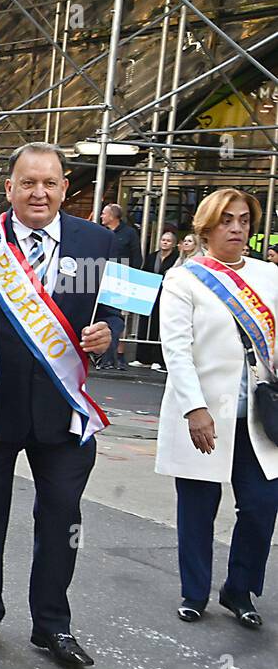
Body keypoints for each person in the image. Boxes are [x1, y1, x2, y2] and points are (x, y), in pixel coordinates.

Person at [0, 142, 117, 667]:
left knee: (61, 520)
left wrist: (108, 335)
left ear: (65, 187)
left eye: (49, 183)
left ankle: (52, 625)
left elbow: (115, 312)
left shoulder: (98, 242)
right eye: (28, 183)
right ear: (10, 188)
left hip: (64, 410)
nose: (39, 193)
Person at [156, 189, 278, 628]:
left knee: (262, 505)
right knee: (198, 506)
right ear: (207, 228)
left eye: (244, 220)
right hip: (205, 412)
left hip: (259, 417)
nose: (237, 228)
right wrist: (195, 409)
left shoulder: (269, 276)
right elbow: (177, 350)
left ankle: (239, 589)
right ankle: (194, 592)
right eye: (227, 220)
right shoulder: (184, 279)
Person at [97, 203, 143, 370]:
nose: (101, 216)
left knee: (121, 318)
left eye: (104, 213)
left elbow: (136, 257)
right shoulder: (100, 232)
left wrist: (132, 279)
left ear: (112, 216)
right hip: (102, 279)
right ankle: (104, 357)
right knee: (103, 316)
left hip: (122, 280)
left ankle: (119, 356)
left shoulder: (129, 233)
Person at [134, 228, 180, 368]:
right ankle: (142, 358)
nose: (165, 243)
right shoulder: (152, 256)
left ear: (174, 244)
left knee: (159, 326)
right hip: (150, 293)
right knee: (144, 325)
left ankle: (157, 359)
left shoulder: (177, 258)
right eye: (163, 240)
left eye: (168, 241)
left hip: (166, 295)